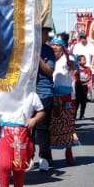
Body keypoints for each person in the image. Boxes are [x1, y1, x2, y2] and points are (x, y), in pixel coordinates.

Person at [0, 88, 45, 187]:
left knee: (19, 167)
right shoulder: (2, 91)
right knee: (4, 165)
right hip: (5, 132)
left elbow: (41, 111)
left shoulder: (31, 93)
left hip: (23, 133)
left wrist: (33, 120)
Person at [48, 40, 79, 162]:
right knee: (50, 125)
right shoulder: (49, 58)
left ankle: (69, 153)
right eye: (53, 45)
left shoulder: (69, 57)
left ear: (62, 47)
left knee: (68, 124)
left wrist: (72, 65)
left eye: (57, 45)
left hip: (66, 95)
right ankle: (47, 154)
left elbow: (75, 67)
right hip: (51, 93)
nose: (55, 47)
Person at [33, 26, 58, 170]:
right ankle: (27, 156)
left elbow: (49, 71)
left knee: (42, 128)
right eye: (44, 32)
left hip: (43, 92)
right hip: (26, 93)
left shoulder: (48, 50)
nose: (47, 35)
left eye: (47, 32)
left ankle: (45, 157)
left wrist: (37, 57)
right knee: (26, 127)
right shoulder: (24, 47)